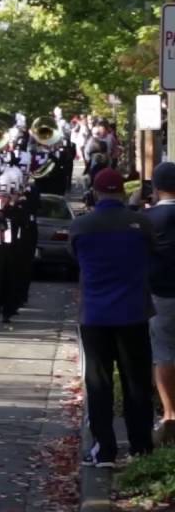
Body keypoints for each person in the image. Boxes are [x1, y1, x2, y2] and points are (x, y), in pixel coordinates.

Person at [72, 168, 155, 466]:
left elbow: (76, 258)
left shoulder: (81, 227)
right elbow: (150, 252)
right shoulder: (141, 223)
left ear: (94, 192)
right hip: (133, 312)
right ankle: (141, 446)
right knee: (137, 383)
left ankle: (104, 448)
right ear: (121, 191)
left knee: (99, 384)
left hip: (95, 315)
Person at [144, 161, 175, 447]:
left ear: (155, 187)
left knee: (163, 351)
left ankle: (169, 413)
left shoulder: (148, 218)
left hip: (161, 294)